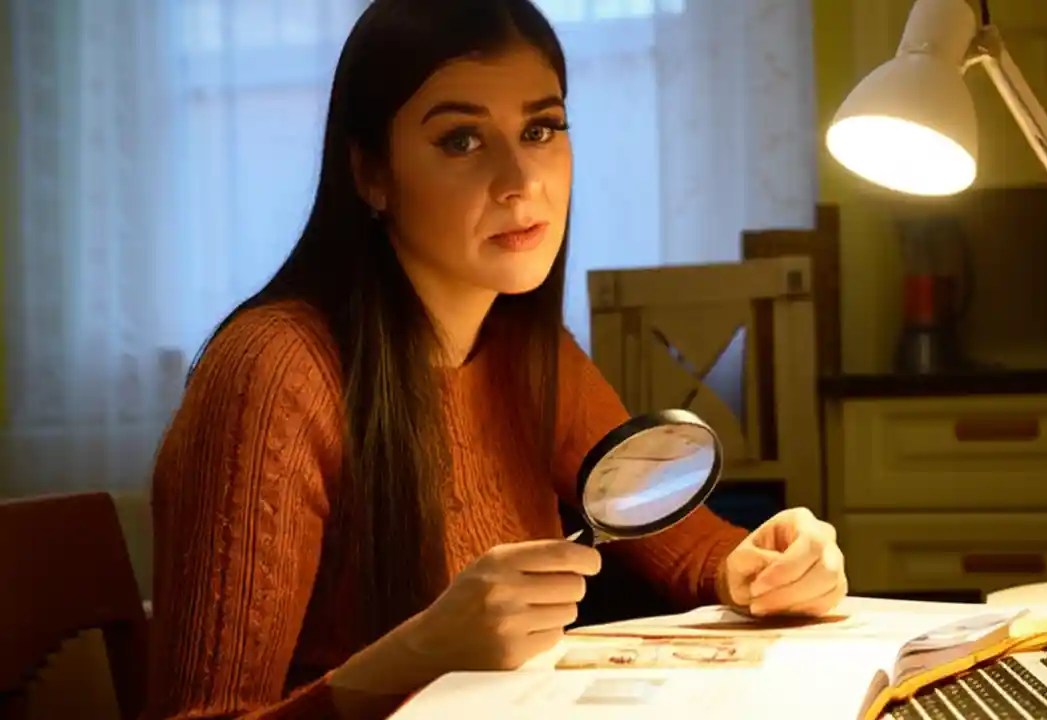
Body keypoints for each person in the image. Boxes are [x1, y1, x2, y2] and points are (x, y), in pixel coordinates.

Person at [144, 1, 847, 718]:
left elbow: (689, 547)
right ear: (372, 175)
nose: (519, 180)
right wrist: (418, 654)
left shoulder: (525, 350)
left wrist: (770, 563)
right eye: (461, 141)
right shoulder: (272, 375)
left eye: (540, 129)